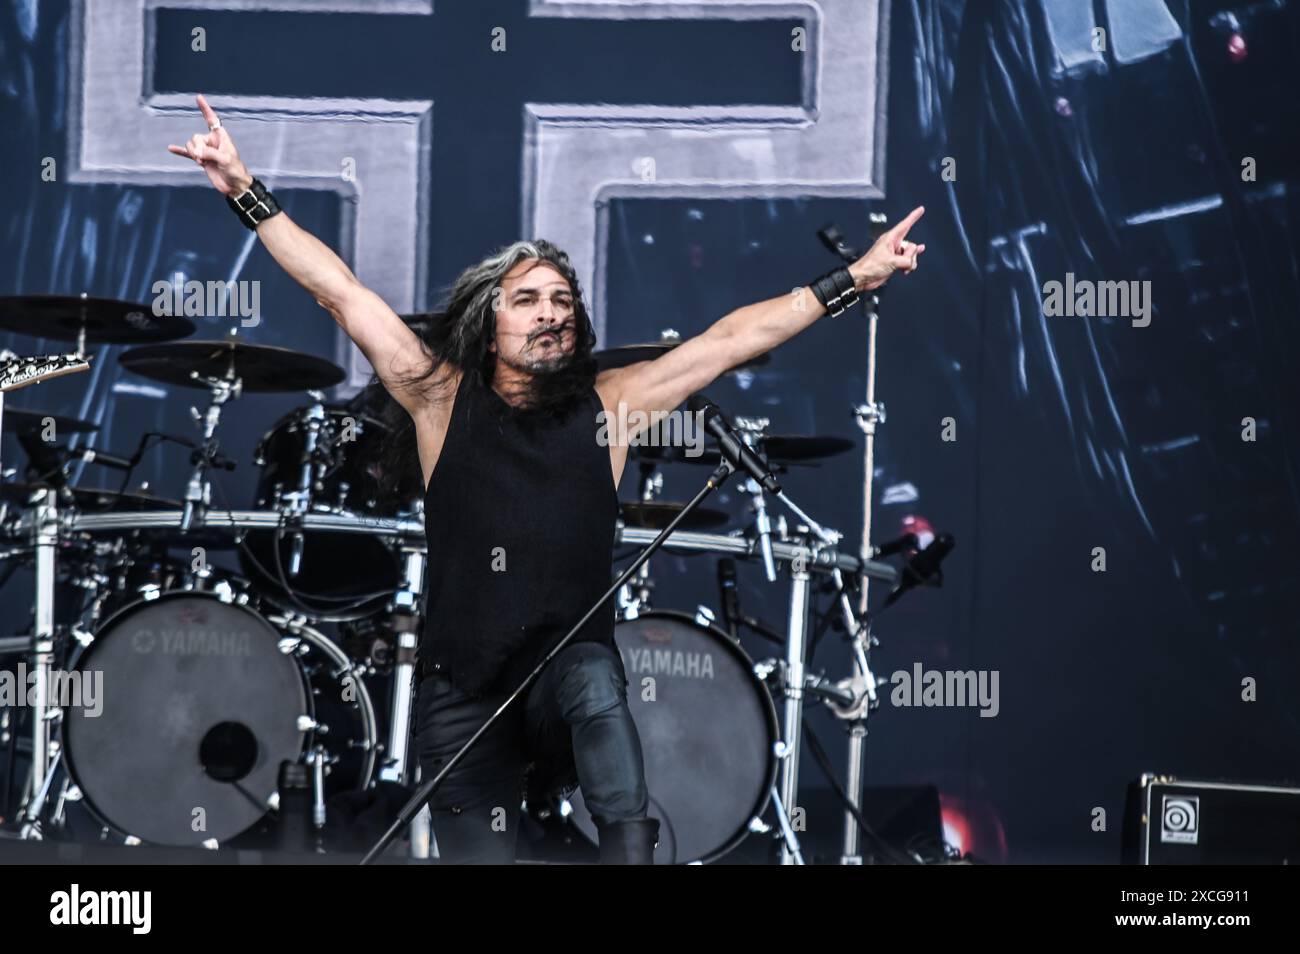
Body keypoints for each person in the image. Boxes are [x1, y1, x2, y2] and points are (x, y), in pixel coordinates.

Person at [168, 93, 926, 864]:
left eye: (562, 300)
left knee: (594, 678)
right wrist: (242, 187)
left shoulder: (614, 404)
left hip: (567, 677)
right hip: (463, 684)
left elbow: (728, 341)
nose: (548, 312)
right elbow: (339, 290)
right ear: (488, 321)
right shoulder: (437, 396)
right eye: (526, 299)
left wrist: (856, 278)